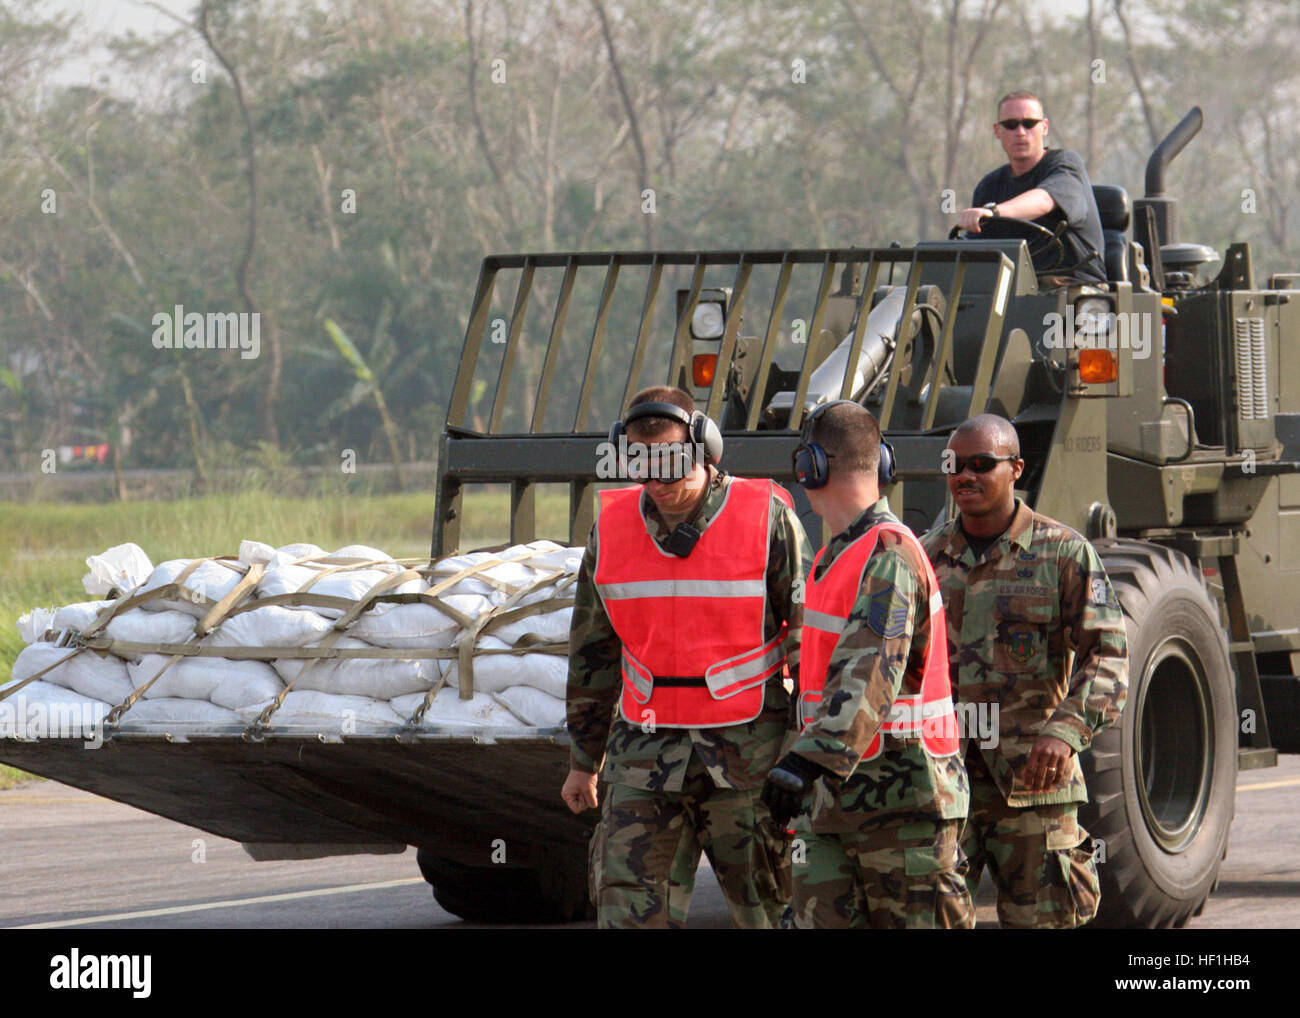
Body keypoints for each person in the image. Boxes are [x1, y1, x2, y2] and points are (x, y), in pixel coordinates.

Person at [562, 385, 811, 929]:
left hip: (748, 755)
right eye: (639, 462)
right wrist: (584, 760)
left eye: (669, 462)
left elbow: (808, 643)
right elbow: (593, 653)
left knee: (771, 911)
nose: (655, 479)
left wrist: (806, 753)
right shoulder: (611, 528)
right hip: (643, 755)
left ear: (704, 448)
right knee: (624, 906)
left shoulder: (766, 517)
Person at [761, 400, 973, 929]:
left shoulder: (888, 555)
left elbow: (869, 674)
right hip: (835, 804)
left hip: (904, 811)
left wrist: (800, 765)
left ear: (810, 468)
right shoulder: (834, 557)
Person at [921, 413, 1129, 928]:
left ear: (1015, 468)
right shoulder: (924, 558)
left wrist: (1066, 731)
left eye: (980, 464)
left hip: (1035, 788)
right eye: (954, 464)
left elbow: (1108, 656)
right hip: (944, 784)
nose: (963, 475)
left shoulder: (1063, 553)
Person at [957, 90, 1107, 285]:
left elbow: (1044, 200)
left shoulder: (1065, 165)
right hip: (1014, 293)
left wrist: (995, 212)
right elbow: (977, 254)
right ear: (997, 131)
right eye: (1011, 125)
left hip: (1077, 294)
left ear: (1044, 127)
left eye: (1029, 124)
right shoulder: (989, 186)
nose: (1020, 132)